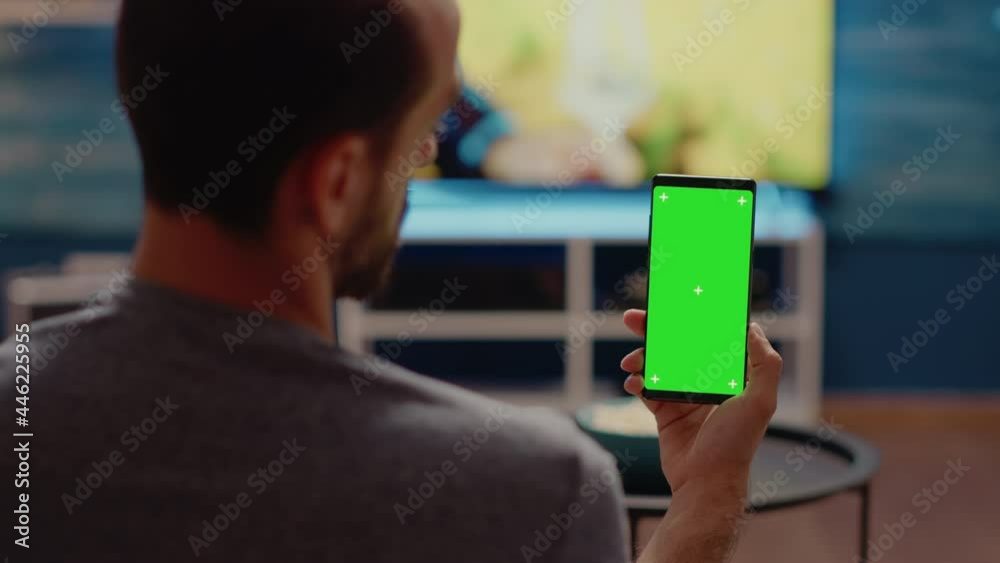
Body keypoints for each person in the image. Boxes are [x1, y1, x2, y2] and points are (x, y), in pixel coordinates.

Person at [0, 0, 782, 561]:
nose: (419, 165)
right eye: (418, 139)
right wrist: (709, 496)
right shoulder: (533, 490)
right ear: (337, 182)